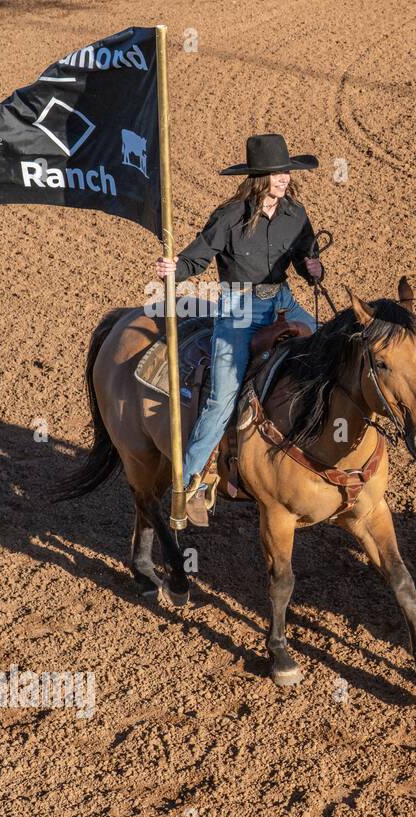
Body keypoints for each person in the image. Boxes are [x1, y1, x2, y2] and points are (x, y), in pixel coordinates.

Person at [154, 133, 325, 527]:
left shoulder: (295, 214)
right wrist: (173, 269)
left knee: (326, 352)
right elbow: (196, 260)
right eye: (274, 173)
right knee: (222, 397)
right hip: (238, 309)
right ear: (257, 177)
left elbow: (307, 259)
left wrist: (314, 271)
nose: (282, 178)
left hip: (283, 301)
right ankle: (189, 483)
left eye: (285, 172)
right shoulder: (229, 216)